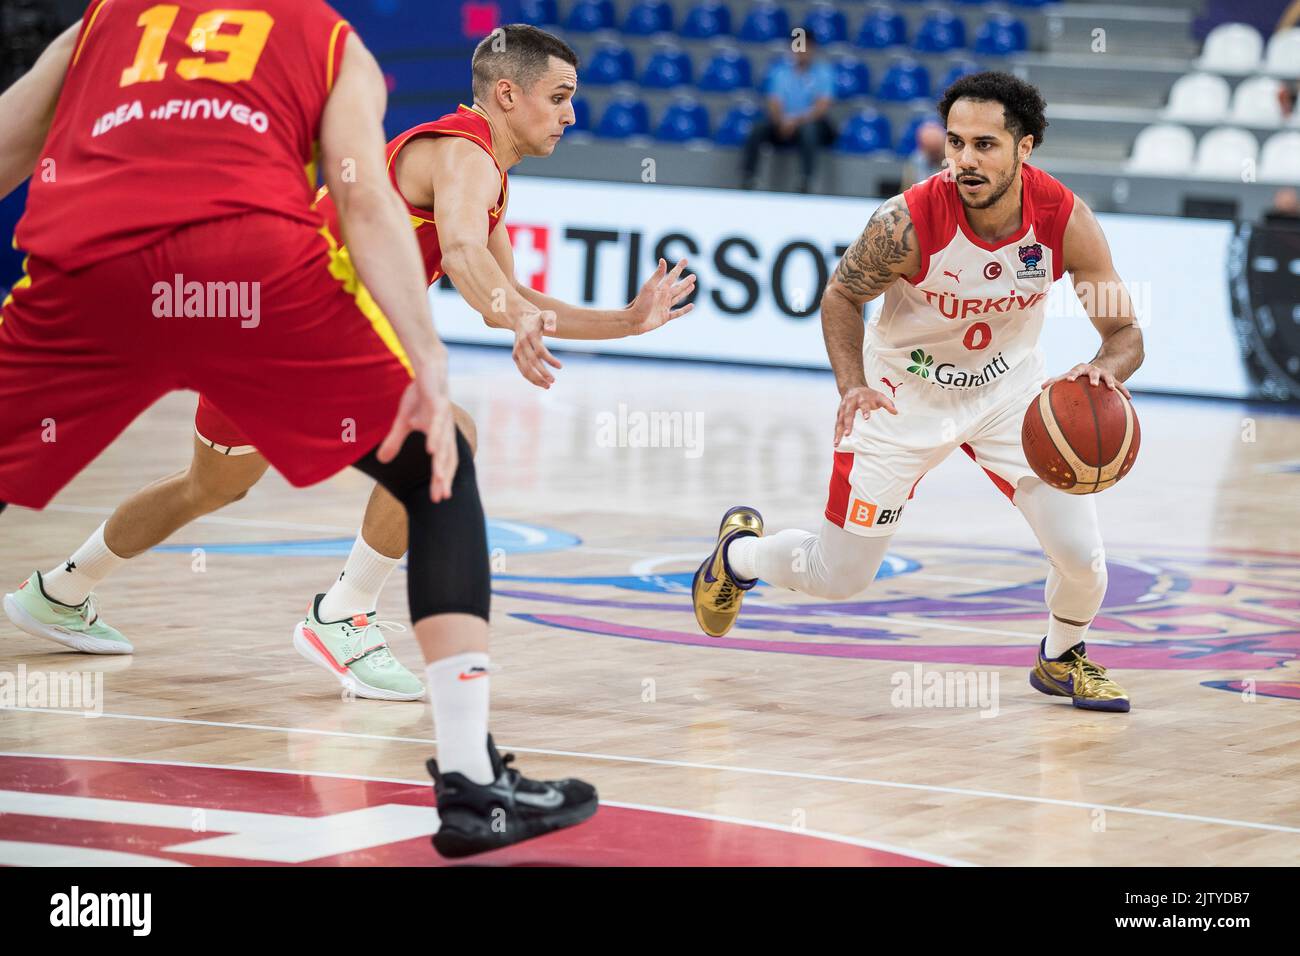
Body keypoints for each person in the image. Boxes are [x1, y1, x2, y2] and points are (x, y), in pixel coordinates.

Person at [0, 6, 598, 856]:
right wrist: (425, 354)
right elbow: (372, 205)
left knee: (209, 487)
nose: (571, 115)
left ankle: (58, 590)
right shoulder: (329, 42)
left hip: (91, 259)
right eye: (562, 98)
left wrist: (633, 319)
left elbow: (10, 141)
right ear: (509, 94)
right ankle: (440, 743)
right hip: (259, 290)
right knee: (441, 449)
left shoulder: (105, 19)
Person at [694, 72, 1145, 713]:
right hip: (899, 397)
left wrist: (1104, 370)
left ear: (1026, 147)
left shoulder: (1066, 221)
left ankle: (1062, 658)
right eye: (956, 143)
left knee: (1083, 560)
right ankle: (739, 555)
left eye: (985, 144)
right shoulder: (907, 220)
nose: (964, 159)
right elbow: (842, 295)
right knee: (840, 577)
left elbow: (1125, 330)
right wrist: (851, 385)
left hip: (1010, 397)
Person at [740, 35, 835, 193]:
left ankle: (806, 179)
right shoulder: (780, 72)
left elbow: (821, 106)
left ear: (812, 49)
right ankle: (748, 177)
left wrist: (795, 121)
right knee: (758, 129)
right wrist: (781, 120)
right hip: (783, 123)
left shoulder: (823, 73)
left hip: (810, 123)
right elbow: (774, 102)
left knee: (809, 131)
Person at [901, 119, 947, 189]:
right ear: (922, 147)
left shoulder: (952, 162)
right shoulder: (914, 161)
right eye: (929, 150)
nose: (933, 155)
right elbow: (906, 191)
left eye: (936, 150)